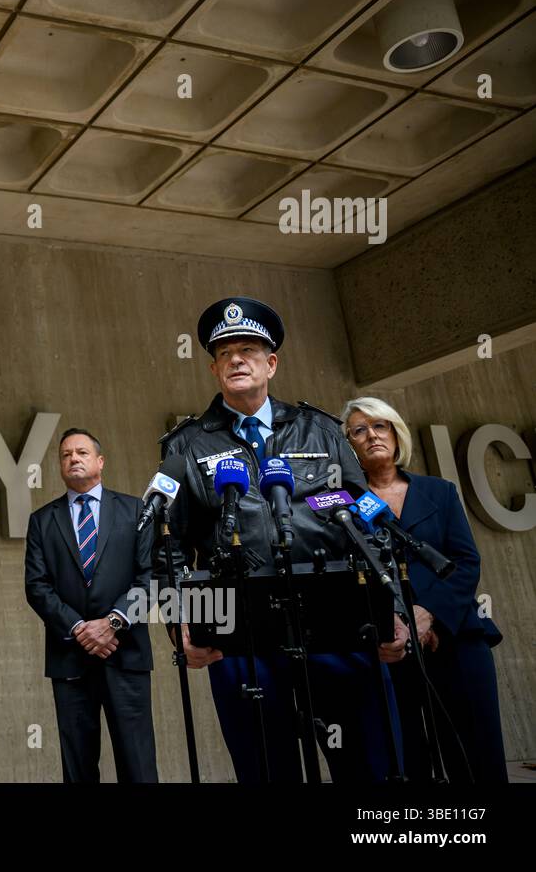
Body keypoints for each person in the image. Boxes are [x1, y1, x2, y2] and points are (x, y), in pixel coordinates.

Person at [159, 297, 403, 782]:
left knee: (363, 760)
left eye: (248, 349)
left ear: (271, 363)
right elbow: (168, 542)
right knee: (266, 767)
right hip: (240, 625)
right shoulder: (186, 444)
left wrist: (388, 603)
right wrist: (179, 622)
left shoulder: (322, 429)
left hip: (334, 616)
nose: (236, 359)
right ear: (213, 368)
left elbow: (366, 520)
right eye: (225, 353)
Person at [342, 395, 507, 782]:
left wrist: (426, 613)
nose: (372, 436)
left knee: (476, 757)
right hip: (390, 646)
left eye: (379, 426)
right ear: (348, 446)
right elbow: (347, 578)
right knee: (407, 758)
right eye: (359, 431)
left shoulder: (441, 491)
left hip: (457, 637)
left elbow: (466, 563)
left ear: (396, 433)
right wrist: (395, 623)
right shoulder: (343, 507)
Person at [24, 428, 158, 782]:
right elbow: (37, 587)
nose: (73, 459)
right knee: (78, 768)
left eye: (81, 452)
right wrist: (80, 628)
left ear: (100, 461)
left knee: (138, 763)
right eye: (66, 455)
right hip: (70, 658)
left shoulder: (136, 510)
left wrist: (112, 622)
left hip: (126, 653)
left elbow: (150, 578)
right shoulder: (42, 520)